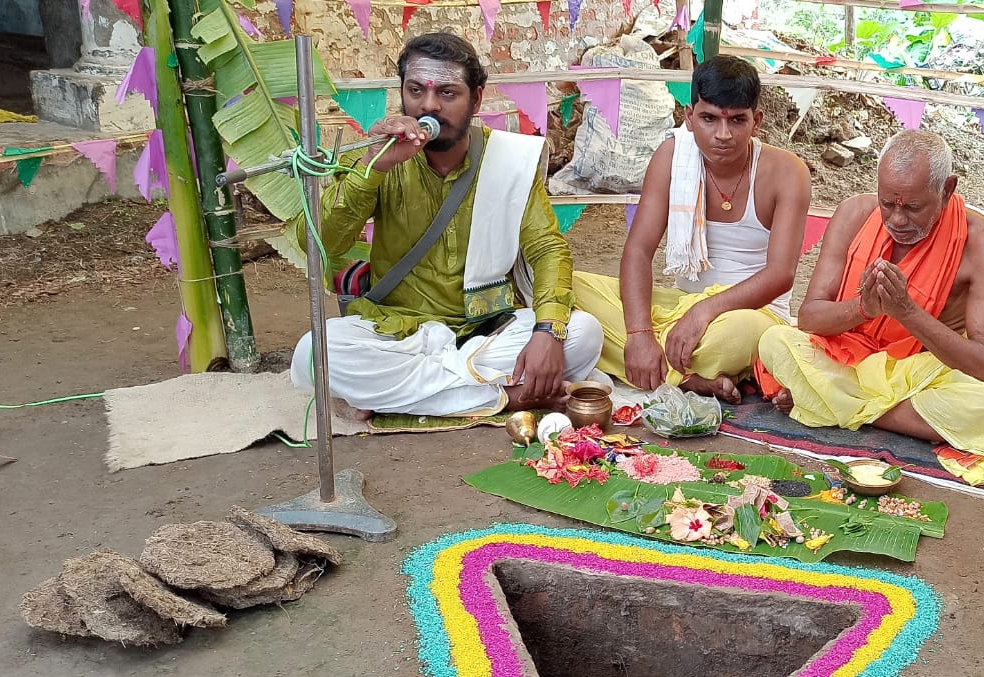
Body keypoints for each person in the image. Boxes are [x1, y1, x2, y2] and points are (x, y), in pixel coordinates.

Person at [290, 33, 602, 419]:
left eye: (448, 93)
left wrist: (547, 332)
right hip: (398, 333)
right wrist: (374, 168)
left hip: (488, 330)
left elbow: (547, 248)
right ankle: (508, 397)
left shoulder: (508, 157)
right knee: (313, 352)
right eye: (416, 90)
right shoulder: (381, 156)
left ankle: (396, 396)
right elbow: (320, 243)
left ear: (477, 98)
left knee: (583, 333)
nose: (429, 106)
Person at [756, 130, 984, 455]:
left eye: (913, 207)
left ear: (947, 189)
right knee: (773, 341)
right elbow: (809, 318)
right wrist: (864, 308)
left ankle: (830, 404)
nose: (897, 220)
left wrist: (908, 312)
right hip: (848, 357)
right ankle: (878, 412)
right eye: (887, 203)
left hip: (923, 368)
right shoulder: (854, 214)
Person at [572, 55, 812, 404]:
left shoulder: (787, 172)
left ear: (756, 121)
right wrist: (639, 333)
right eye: (709, 118)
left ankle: (665, 367)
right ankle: (687, 376)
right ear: (689, 116)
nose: (723, 134)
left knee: (732, 339)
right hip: (680, 306)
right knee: (573, 286)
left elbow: (780, 275)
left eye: (737, 121)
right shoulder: (672, 157)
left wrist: (705, 311)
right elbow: (638, 251)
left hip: (750, 315)